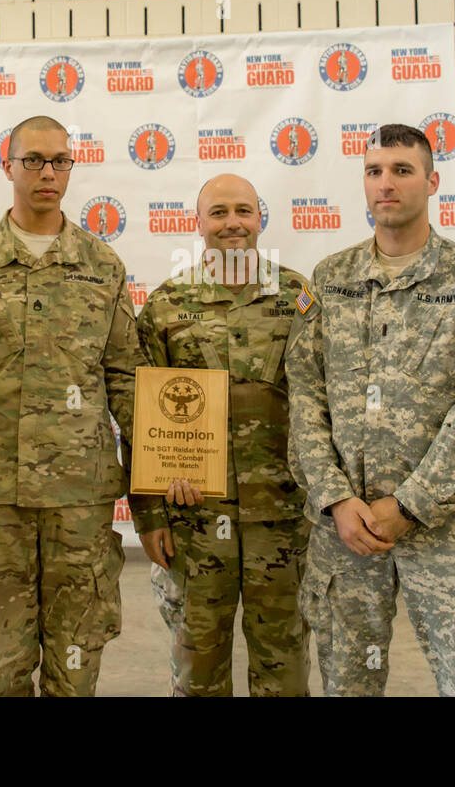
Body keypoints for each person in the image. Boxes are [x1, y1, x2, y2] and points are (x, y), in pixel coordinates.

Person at [284, 123, 455, 696]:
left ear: (432, 181)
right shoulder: (330, 280)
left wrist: (412, 503)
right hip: (345, 531)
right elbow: (304, 392)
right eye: (374, 171)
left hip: (448, 529)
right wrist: (334, 498)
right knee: (347, 681)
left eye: (401, 170)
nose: (385, 184)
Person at [0, 114, 138, 697]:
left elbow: (126, 380)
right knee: (1, 662)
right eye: (33, 160)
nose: (47, 172)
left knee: (76, 659)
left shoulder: (102, 265)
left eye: (59, 160)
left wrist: (162, 475)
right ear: (7, 166)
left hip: (80, 499)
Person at [130, 173, 310, 697]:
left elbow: (323, 402)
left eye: (243, 211)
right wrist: (150, 513)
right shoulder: (166, 306)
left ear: (261, 218)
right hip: (195, 522)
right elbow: (142, 419)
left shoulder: (298, 297)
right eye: (218, 212)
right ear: (198, 224)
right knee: (197, 670)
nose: (232, 223)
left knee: (285, 667)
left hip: (284, 519)